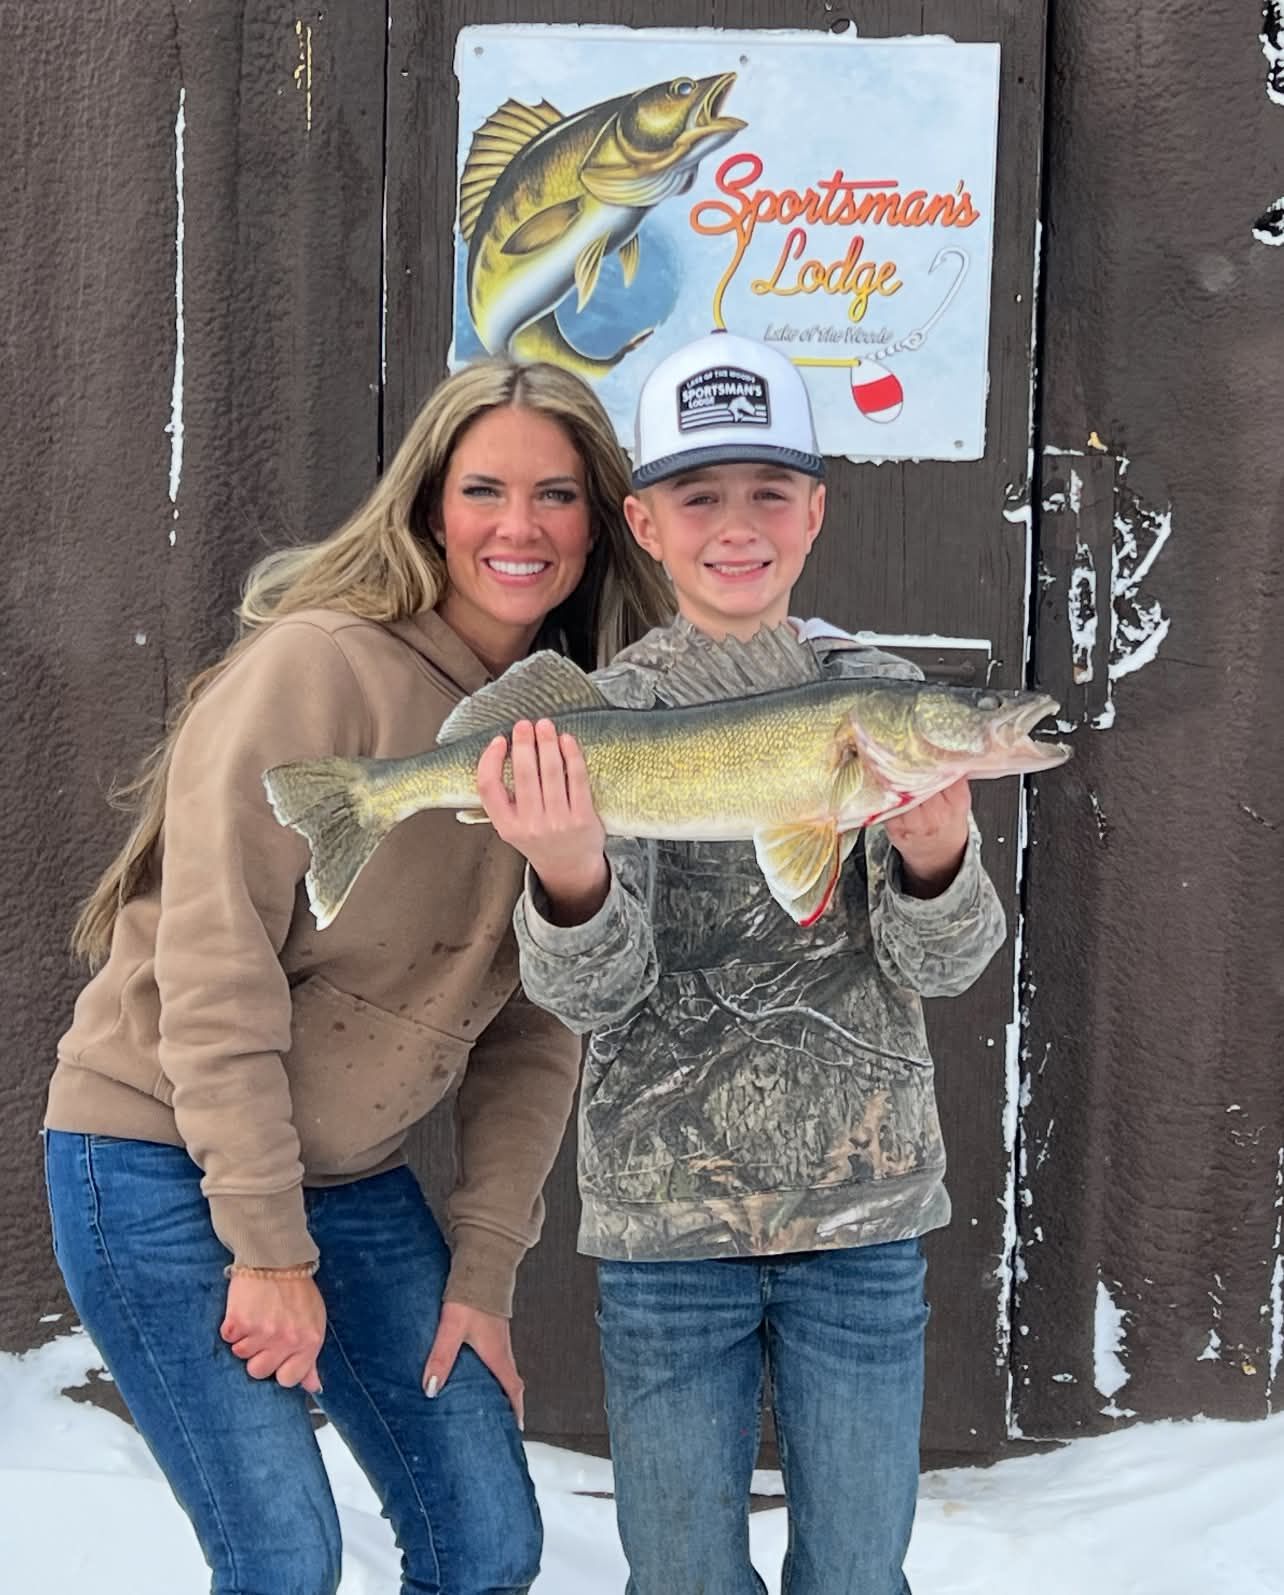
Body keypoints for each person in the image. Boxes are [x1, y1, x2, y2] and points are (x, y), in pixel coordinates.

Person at [43, 357, 672, 1595]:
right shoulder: (318, 664)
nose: (519, 526)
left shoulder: (588, 724)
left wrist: (482, 1274)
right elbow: (214, 963)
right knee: (283, 1557)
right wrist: (269, 1249)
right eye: (484, 488)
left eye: (556, 495)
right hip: (161, 1153)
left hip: (351, 1180)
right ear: (430, 505)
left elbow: (538, 1032)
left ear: (598, 520)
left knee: (485, 1540)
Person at [477, 332, 1009, 1595]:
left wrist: (938, 851)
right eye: (700, 495)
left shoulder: (879, 700)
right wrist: (567, 871)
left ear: (815, 513)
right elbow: (591, 993)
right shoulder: (599, 720)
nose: (738, 525)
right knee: (680, 1576)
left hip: (864, 1221)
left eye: (769, 491)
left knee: (857, 1575)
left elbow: (946, 963)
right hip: (666, 1234)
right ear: (645, 523)